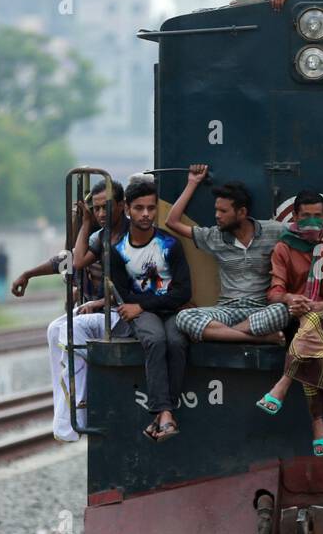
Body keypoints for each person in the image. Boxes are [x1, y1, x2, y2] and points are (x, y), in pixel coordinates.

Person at [15, 179, 127, 442]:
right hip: (99, 313)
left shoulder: (124, 237)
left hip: (122, 314)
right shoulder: (94, 239)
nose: (99, 214)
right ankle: (64, 415)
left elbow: (130, 287)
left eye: (104, 208)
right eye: (94, 210)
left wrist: (98, 303)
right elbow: (65, 261)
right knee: (55, 330)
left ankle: (79, 409)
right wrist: (28, 274)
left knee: (72, 329)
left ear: (121, 206)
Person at [84, 176, 193, 443]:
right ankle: (166, 413)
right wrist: (137, 307)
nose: (146, 214)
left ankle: (162, 415)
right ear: (128, 210)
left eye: (151, 208)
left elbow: (183, 292)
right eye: (139, 208)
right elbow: (123, 292)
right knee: (155, 340)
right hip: (143, 314)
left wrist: (141, 304)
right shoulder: (117, 250)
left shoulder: (169, 244)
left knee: (177, 341)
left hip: (160, 308)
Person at [256, 190, 323, 457]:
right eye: (306, 216)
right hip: (300, 321)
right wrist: (291, 298)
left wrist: (315, 305)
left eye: (317, 217)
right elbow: (274, 292)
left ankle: (284, 383)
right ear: (295, 217)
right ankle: (318, 425)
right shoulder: (284, 248)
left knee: (311, 322)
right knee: (314, 351)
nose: (312, 222)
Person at [167, 165, 290, 344]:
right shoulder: (214, 236)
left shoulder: (273, 230)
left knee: (282, 311)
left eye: (223, 211)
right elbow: (172, 221)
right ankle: (261, 339)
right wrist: (192, 183)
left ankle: (223, 334)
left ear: (242, 212)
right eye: (216, 210)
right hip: (226, 309)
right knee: (184, 317)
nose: (217, 216)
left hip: (260, 311)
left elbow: (304, 230)